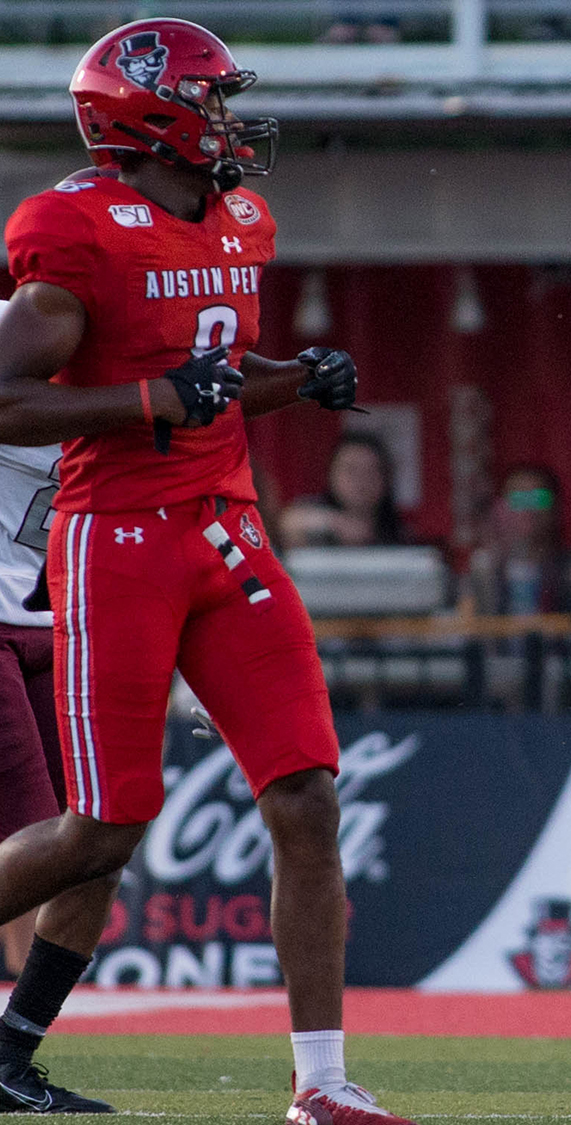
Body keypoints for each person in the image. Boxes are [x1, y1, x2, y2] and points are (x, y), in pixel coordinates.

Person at [0, 20, 407, 1124]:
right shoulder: (74, 231)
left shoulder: (238, 219)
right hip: (117, 537)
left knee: (308, 794)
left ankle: (320, 1082)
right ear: (151, 114)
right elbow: (7, 395)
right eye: (210, 98)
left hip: (225, 528)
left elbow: (213, 377)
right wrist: (144, 404)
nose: (227, 119)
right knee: (105, 825)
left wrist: (299, 378)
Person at [0, 420, 61, 980]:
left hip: (64, 621)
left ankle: (28, 1020)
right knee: (32, 827)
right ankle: (22, 1014)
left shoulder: (116, 390)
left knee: (77, 830)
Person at [465, 464, 571, 616]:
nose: (528, 509)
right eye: (518, 499)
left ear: (556, 506)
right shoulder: (482, 575)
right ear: (499, 510)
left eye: (538, 498)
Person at [279, 431, 403, 549]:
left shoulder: (398, 529)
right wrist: (337, 523)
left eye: (371, 470)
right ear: (331, 474)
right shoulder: (315, 514)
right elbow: (288, 522)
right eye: (351, 470)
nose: (360, 479)